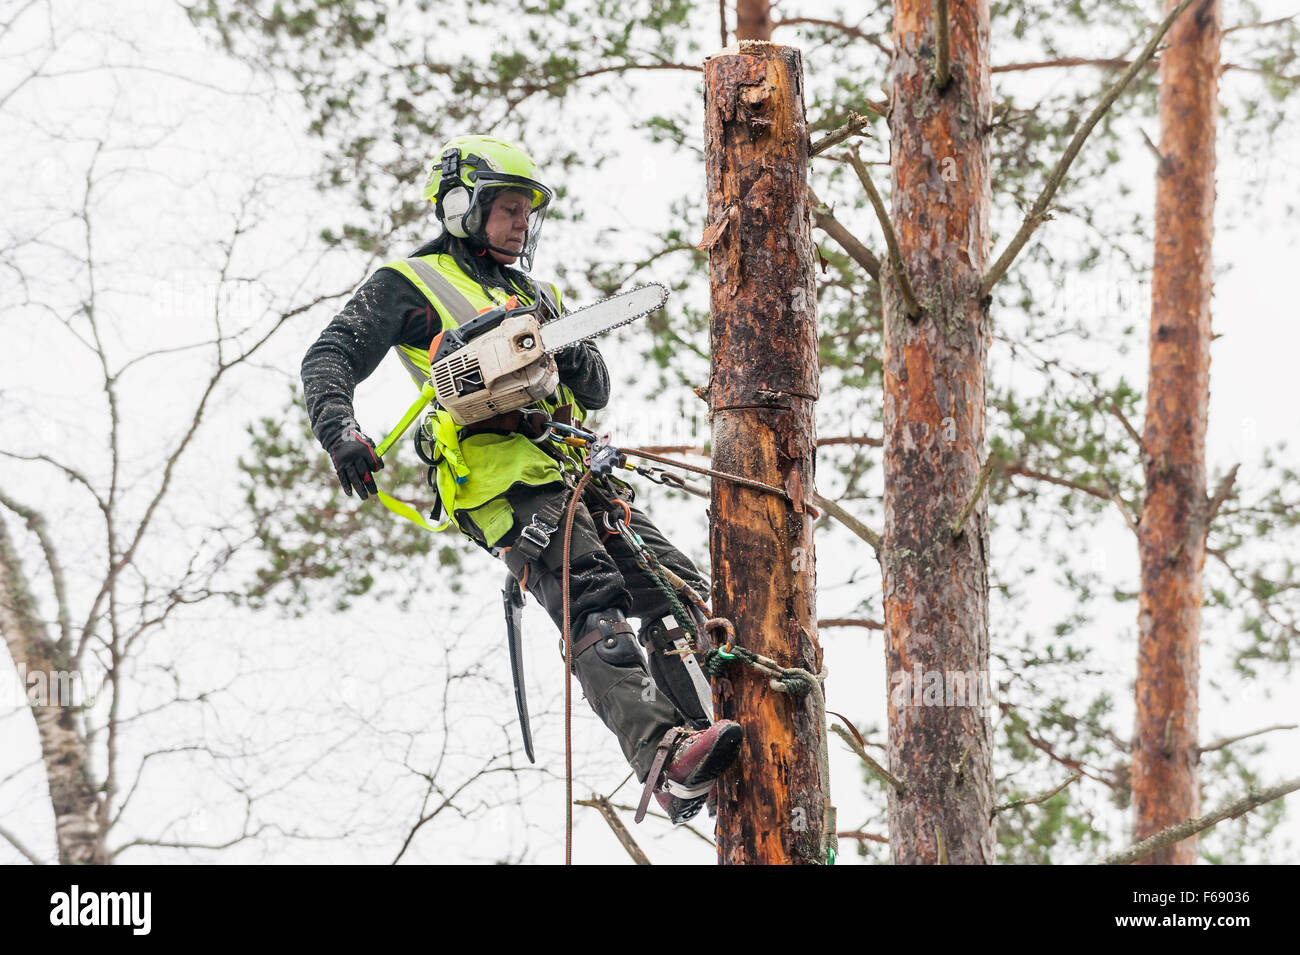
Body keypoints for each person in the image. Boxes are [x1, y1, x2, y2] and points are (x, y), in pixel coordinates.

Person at [301, 135, 741, 824]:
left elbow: (592, 386)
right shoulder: (408, 283)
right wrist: (340, 429)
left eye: (525, 213)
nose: (519, 224)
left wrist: (551, 341)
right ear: (461, 205)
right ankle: (664, 756)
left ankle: (712, 733)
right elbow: (329, 354)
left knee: (674, 587)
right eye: (506, 209)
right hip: (500, 478)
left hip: (577, 470)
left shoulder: (535, 292)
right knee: (590, 597)